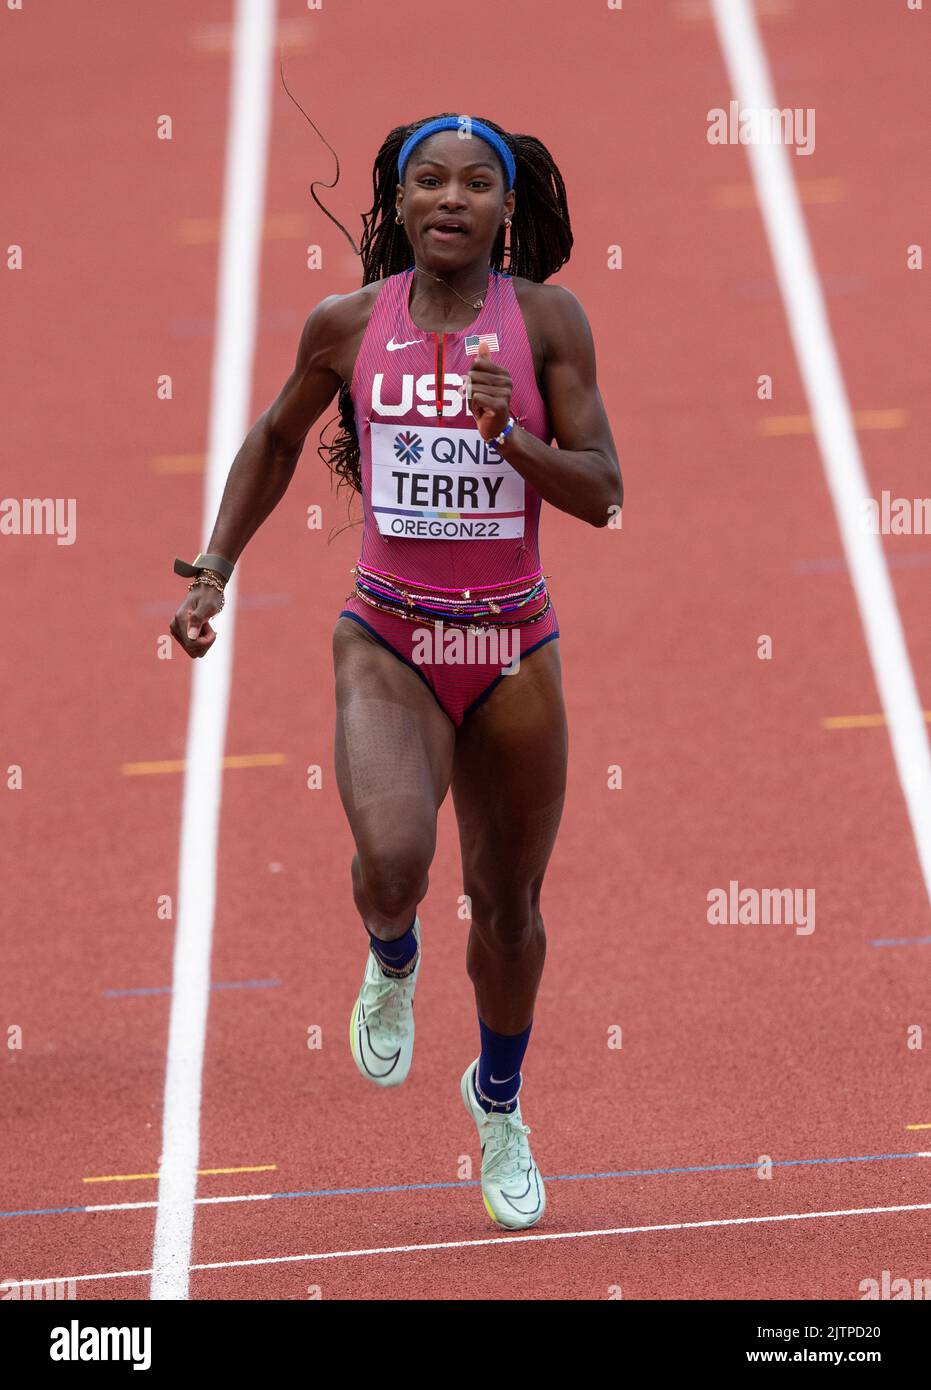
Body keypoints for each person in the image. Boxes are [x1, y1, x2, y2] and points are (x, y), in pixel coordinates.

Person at [171, 113, 622, 1231]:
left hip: (509, 640)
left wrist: (510, 434)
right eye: (429, 182)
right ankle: (391, 954)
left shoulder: (550, 323)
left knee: (509, 907)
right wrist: (213, 572)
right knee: (392, 861)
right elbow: (276, 440)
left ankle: (500, 1106)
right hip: (388, 634)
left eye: (477, 184)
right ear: (400, 204)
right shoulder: (345, 325)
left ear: (507, 209)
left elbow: (606, 491)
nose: (452, 199)